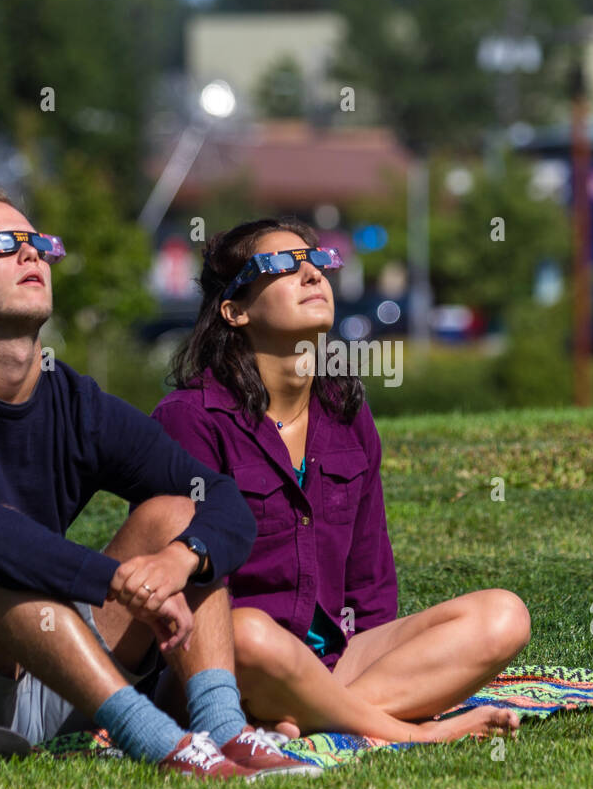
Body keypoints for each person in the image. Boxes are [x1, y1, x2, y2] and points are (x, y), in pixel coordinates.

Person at [0, 183, 317, 778]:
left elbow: (222, 497)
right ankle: (164, 744)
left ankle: (222, 731)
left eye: (38, 243)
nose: (31, 254)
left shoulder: (73, 401)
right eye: (2, 243)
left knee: (177, 515)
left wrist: (180, 561)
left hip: (43, 668)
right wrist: (117, 582)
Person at [151, 217, 532, 743]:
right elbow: (183, 589)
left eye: (317, 261)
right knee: (252, 634)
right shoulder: (190, 418)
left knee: (504, 615)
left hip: (332, 660)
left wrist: (388, 655)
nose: (311, 274)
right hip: (230, 663)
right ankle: (407, 731)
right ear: (235, 310)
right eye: (283, 265)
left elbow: (369, 577)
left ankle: (314, 722)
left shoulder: (343, 409)